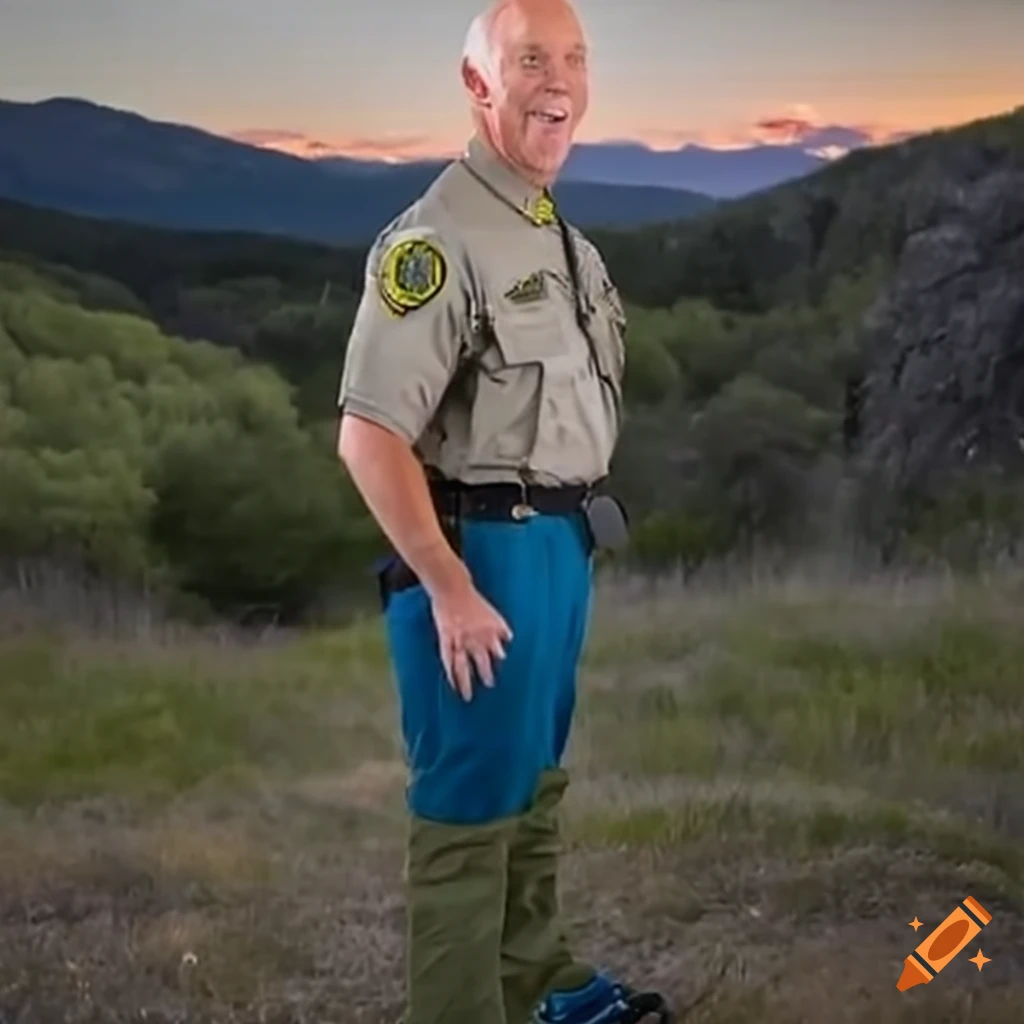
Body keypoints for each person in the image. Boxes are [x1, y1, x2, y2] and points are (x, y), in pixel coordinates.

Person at [335, 1, 671, 1021]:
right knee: (467, 812)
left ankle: (541, 982)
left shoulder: (553, 235)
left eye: (573, 58)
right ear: (478, 83)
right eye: (529, 59)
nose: (556, 80)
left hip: (559, 545)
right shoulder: (436, 239)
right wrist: (448, 586)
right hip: (476, 553)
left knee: (533, 785)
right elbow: (368, 435)